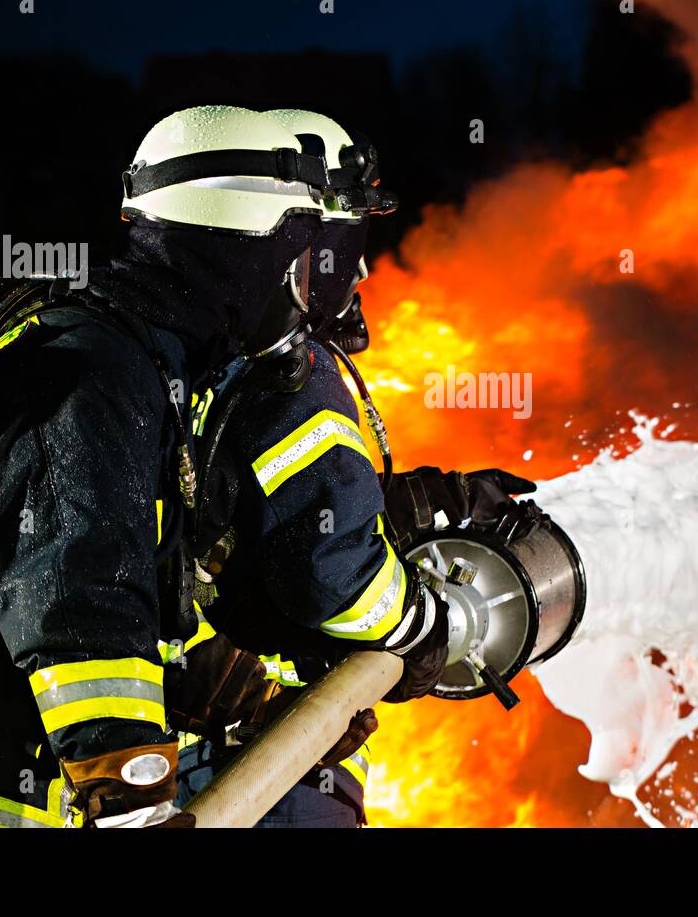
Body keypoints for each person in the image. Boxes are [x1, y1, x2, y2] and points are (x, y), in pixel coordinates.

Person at [0, 105, 330, 828]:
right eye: (300, 257)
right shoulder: (91, 366)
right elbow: (74, 584)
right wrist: (127, 784)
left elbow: (122, 591)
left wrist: (256, 701)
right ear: (241, 245)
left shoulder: (148, 365)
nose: (306, 289)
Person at [171, 109, 535, 827]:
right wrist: (429, 626)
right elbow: (330, 572)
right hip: (253, 764)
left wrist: (432, 499)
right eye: (340, 241)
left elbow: (263, 519)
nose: (360, 266)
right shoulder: (282, 379)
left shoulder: (189, 368)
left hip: (244, 754)